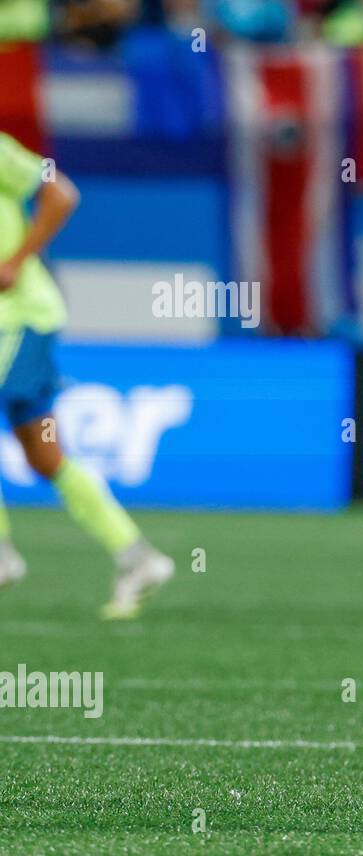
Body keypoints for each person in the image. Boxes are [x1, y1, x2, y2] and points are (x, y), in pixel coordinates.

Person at [0, 132, 174, 618]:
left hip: (19, 314)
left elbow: (61, 192)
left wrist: (15, 261)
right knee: (43, 455)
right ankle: (136, 557)